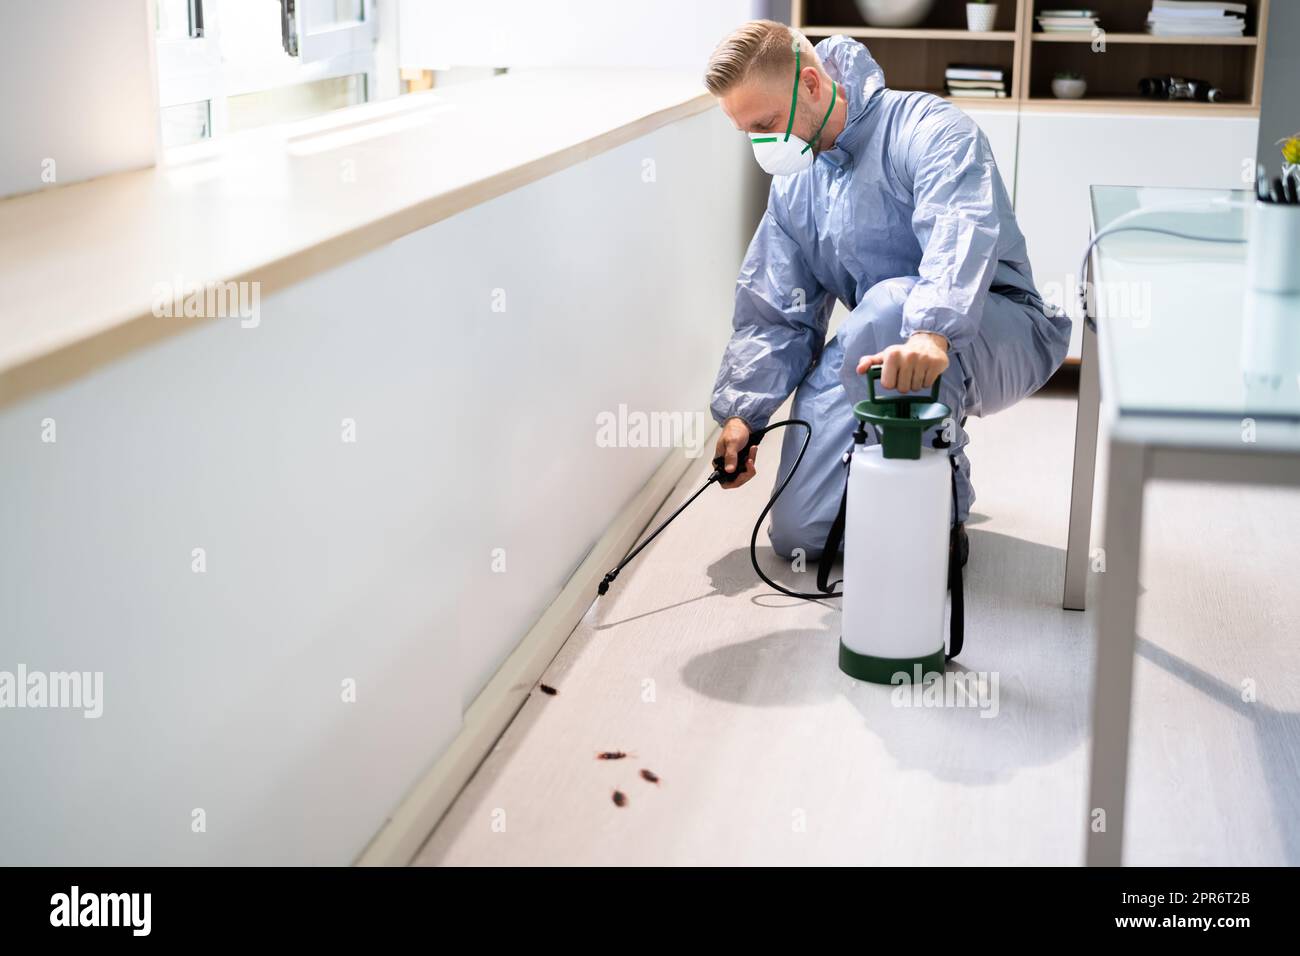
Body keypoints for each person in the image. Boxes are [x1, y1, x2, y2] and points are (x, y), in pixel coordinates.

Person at [705, 20, 1071, 562]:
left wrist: (931, 331)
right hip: (877, 342)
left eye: (767, 123)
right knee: (800, 537)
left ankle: (937, 521)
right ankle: (891, 502)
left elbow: (958, 229)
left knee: (893, 306)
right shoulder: (795, 187)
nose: (762, 143)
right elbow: (776, 313)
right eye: (749, 132)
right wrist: (744, 416)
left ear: (810, 85)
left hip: (996, 330)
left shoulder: (929, 130)